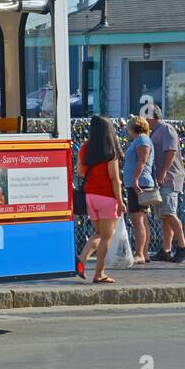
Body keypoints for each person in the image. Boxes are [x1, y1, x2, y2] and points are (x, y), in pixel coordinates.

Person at [75, 115, 127, 284]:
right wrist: (120, 201)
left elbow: (80, 172)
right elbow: (115, 179)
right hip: (107, 198)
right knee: (107, 237)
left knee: (99, 233)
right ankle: (99, 274)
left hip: (90, 197)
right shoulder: (110, 150)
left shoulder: (85, 148)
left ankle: (82, 258)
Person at [148, 112, 185, 262]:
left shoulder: (166, 128)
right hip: (162, 178)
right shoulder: (156, 131)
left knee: (169, 212)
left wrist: (163, 172)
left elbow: (171, 151)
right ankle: (166, 250)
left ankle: (183, 246)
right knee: (164, 216)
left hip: (169, 178)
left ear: (152, 116)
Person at [122, 115, 155, 264]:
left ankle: (140, 253)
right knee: (142, 219)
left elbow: (142, 160)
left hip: (138, 183)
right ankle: (145, 253)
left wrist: (135, 179)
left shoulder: (142, 139)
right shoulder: (139, 140)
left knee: (137, 220)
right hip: (136, 183)